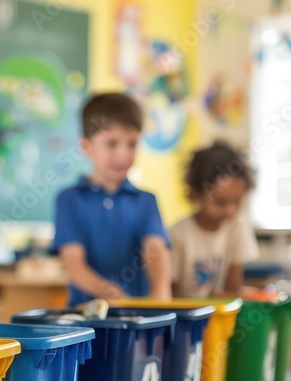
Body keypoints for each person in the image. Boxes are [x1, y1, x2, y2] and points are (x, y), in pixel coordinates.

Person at [53, 92, 171, 306]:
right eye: (112, 143)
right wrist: (113, 296)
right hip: (84, 325)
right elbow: (74, 265)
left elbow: (155, 250)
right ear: (86, 146)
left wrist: (161, 295)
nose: (123, 154)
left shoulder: (146, 201)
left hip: (138, 324)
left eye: (132, 144)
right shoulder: (69, 200)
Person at [171, 141, 259, 298]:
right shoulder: (177, 235)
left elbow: (232, 291)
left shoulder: (238, 224)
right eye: (221, 202)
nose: (231, 210)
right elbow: (170, 295)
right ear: (195, 194)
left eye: (237, 200)